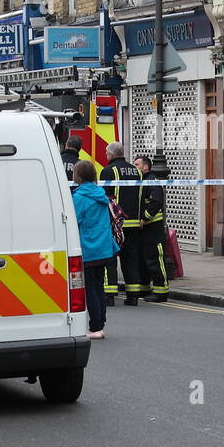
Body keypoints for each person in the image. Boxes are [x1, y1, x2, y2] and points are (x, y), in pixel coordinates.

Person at [71, 159, 117, 340]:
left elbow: (74, 222)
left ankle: (96, 327)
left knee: (90, 288)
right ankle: (100, 323)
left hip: (88, 248)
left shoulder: (79, 198)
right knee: (99, 287)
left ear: (78, 176)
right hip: (104, 248)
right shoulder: (101, 194)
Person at [97, 141, 137, 306]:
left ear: (111, 155)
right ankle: (133, 295)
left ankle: (109, 295)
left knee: (110, 258)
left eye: (106, 154)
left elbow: (105, 198)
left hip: (115, 223)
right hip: (133, 223)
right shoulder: (136, 171)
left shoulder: (108, 171)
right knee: (130, 259)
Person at [133, 155, 169, 303]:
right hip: (143, 229)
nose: (134, 167)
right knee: (143, 259)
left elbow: (156, 202)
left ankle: (161, 292)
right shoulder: (140, 181)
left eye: (137, 165)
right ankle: (144, 288)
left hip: (153, 227)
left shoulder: (152, 180)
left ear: (145, 167)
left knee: (154, 258)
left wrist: (144, 218)